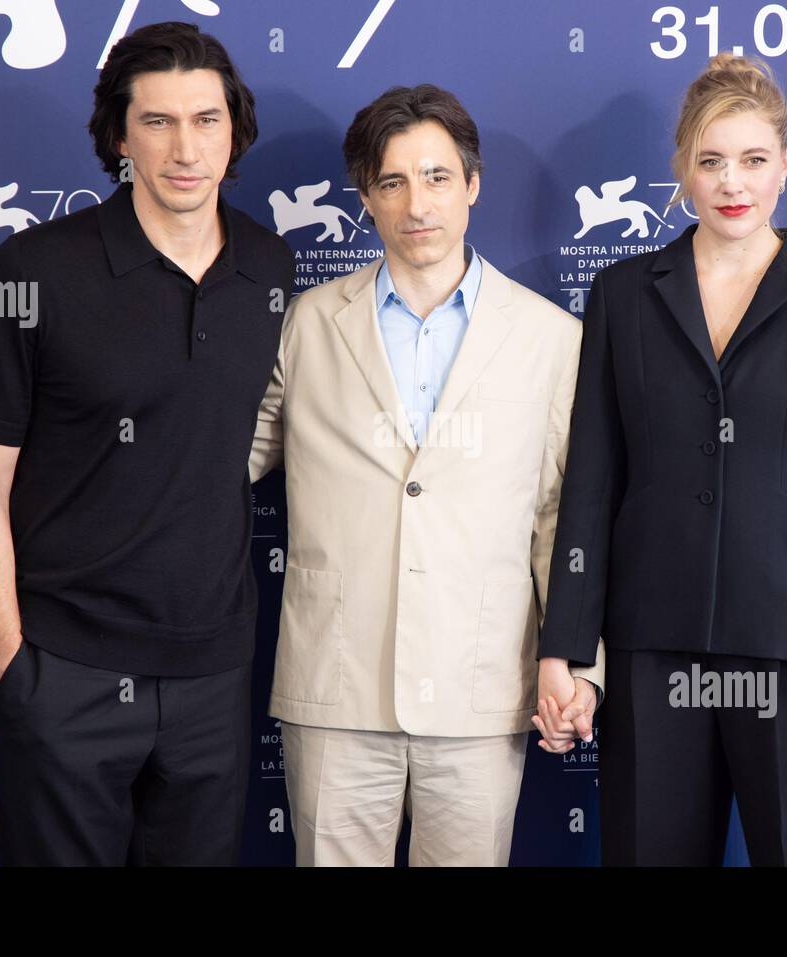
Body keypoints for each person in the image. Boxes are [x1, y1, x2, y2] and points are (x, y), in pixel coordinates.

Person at [536, 53, 787, 866]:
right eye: (710, 161)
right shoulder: (623, 294)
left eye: (752, 159)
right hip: (653, 648)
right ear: (682, 170)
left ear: (786, 164)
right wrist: (564, 651)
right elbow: (592, 486)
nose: (731, 182)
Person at [0, 21, 294, 865]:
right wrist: (10, 667)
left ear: (233, 130)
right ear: (119, 135)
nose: (184, 147)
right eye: (158, 121)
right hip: (63, 669)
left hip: (213, 675)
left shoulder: (271, 269)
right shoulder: (27, 270)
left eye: (206, 120)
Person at [250, 84, 604, 867]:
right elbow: (220, 462)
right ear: (366, 197)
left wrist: (580, 665)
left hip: (483, 688)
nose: (419, 203)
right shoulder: (306, 323)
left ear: (473, 186)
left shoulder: (551, 338)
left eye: (439, 177)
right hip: (335, 684)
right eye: (393, 182)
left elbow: (565, 519)